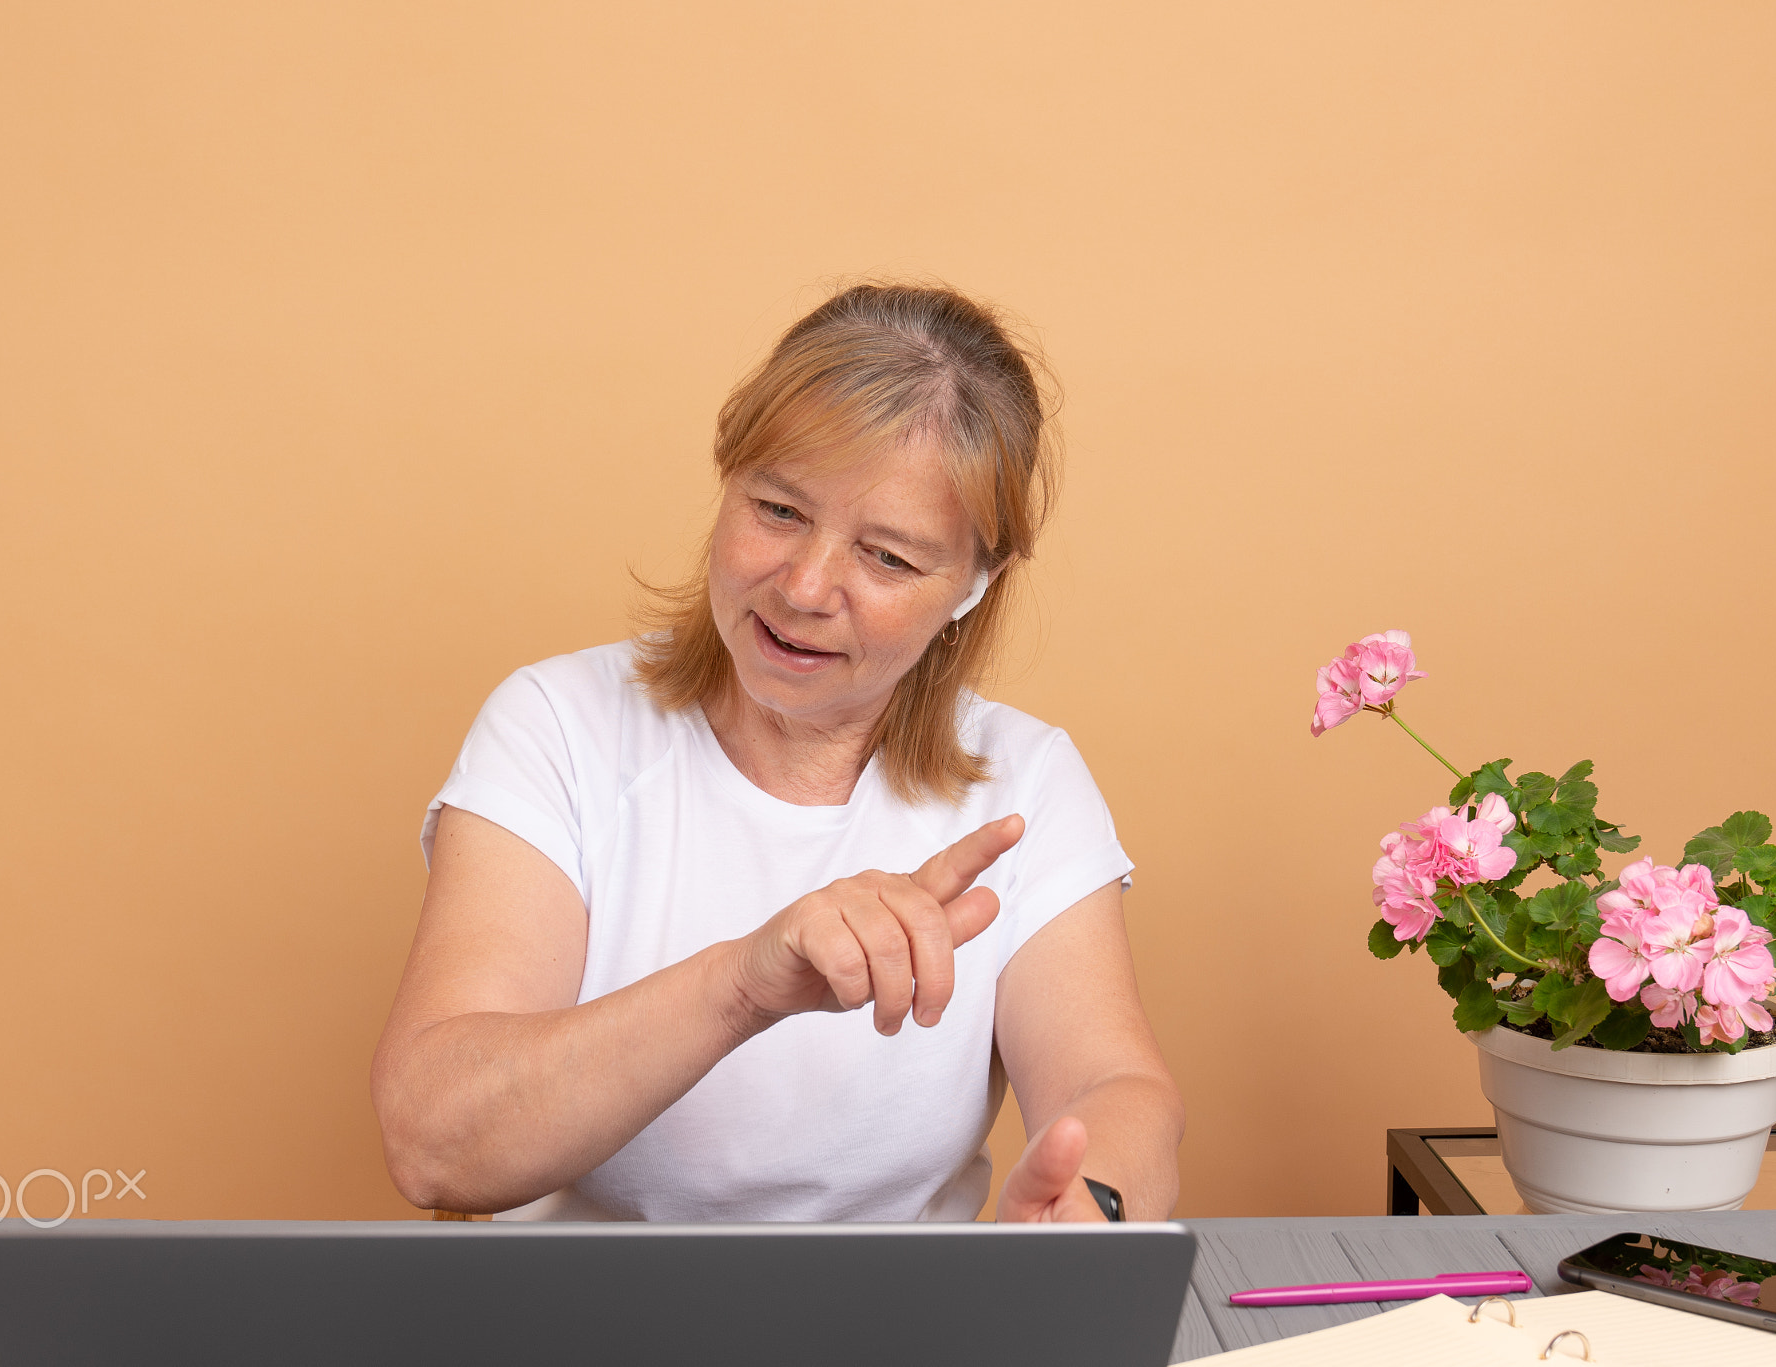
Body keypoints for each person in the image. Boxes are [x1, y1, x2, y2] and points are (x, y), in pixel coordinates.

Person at [371, 282, 1182, 1224]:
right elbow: (434, 1141)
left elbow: (1119, 1091)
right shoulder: (557, 723)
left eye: (887, 557)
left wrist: (1096, 1204)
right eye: (779, 510)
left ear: (974, 583)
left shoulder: (1028, 779)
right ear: (728, 476)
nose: (804, 587)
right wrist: (744, 983)